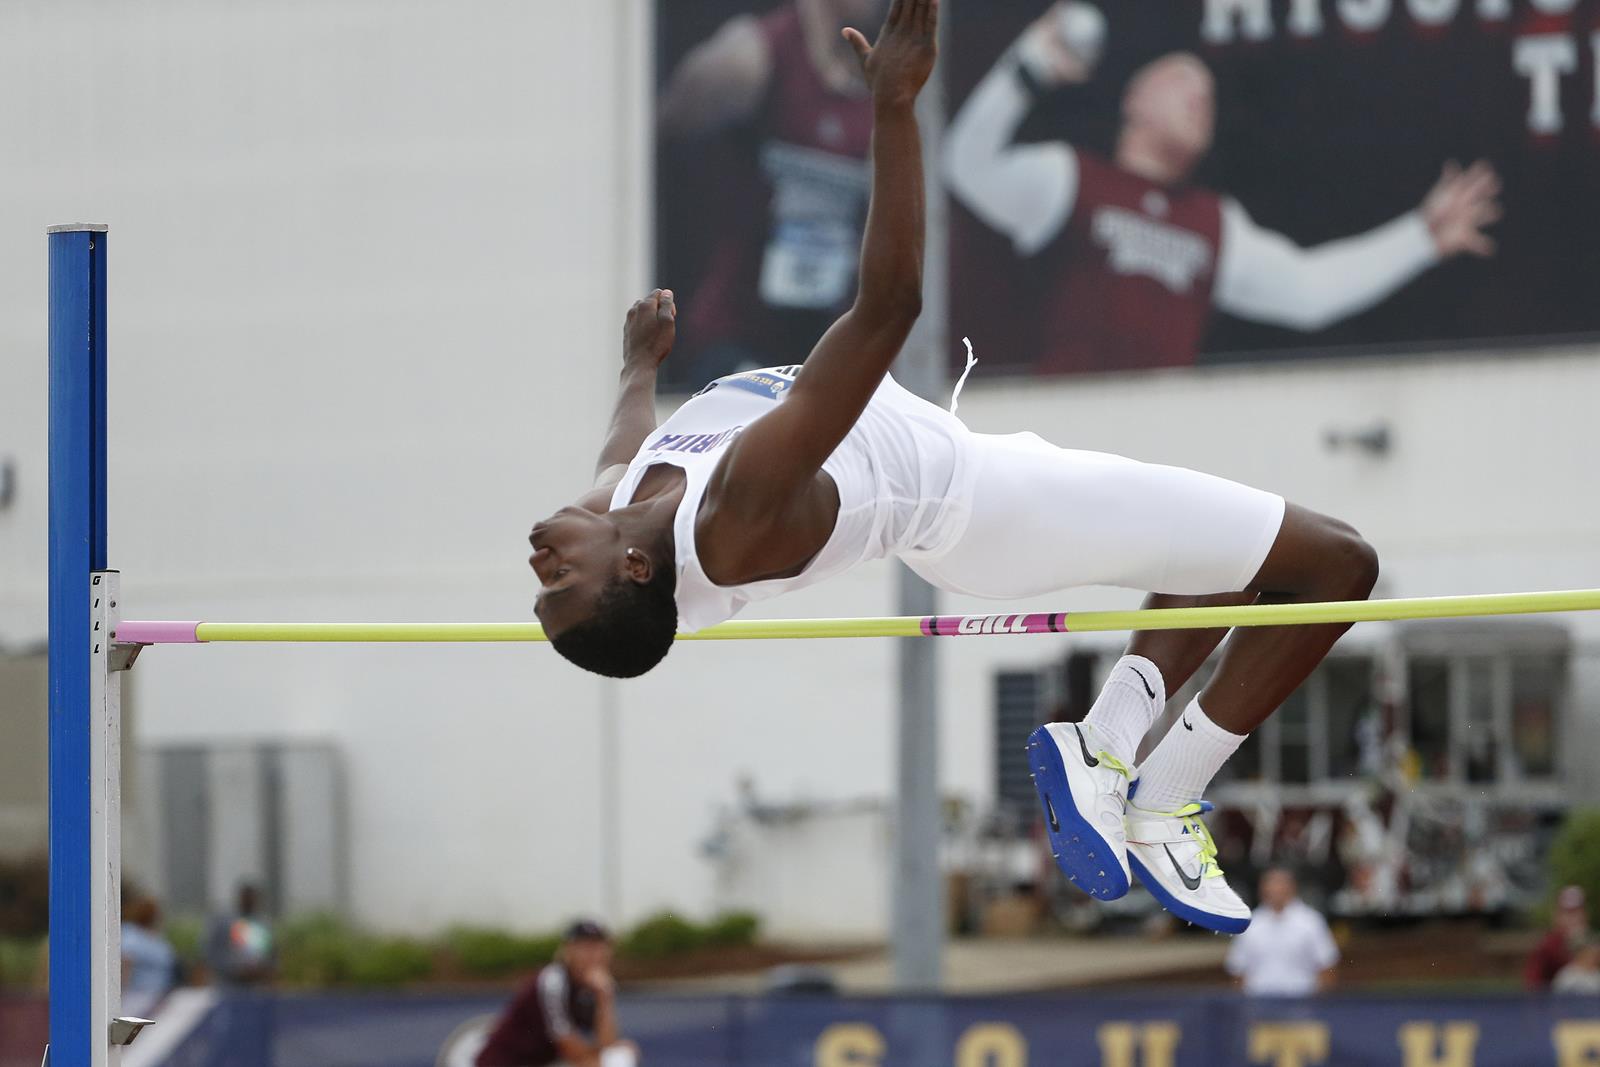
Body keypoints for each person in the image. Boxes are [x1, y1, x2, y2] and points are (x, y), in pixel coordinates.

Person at [529, 0, 1378, 935]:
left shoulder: (622, 502)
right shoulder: (733, 515)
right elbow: (889, 309)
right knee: (1337, 564)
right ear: (634, 567)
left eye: (541, 580)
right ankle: (1167, 795)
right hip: (985, 508)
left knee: (1221, 554)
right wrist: (895, 112)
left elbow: (621, 444)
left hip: (982, 481)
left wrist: (638, 366)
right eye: (560, 576)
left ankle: (1107, 748)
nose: (539, 556)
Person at [943, 2, 1504, 375]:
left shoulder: (1213, 220)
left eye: (1210, 95)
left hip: (1162, 446)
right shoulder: (1070, 178)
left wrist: (1419, 239)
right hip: (1061, 434)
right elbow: (965, 166)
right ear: (1134, 101)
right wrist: (1031, 64)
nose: (1200, 99)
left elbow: (1309, 291)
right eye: (1183, 81)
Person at [658, 0, 884, 385]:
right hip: (740, 338)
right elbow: (660, 139)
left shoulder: (873, 71)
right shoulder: (753, 57)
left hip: (825, 339)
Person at [475, 920, 639, 1067]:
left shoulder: (593, 987)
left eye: (599, 947)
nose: (594, 956)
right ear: (568, 951)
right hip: (505, 1063)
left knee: (622, 1053)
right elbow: (573, 1052)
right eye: (585, 948)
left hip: (541, 1061)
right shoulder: (553, 982)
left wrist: (605, 997)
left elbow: (607, 1045)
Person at [1224, 869, 1340, 996]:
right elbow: (1237, 969)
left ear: (1292, 887)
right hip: (1259, 1003)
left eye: (1280, 884)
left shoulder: (1311, 922)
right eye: (1271, 884)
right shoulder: (1249, 923)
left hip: (1302, 1002)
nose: (1276, 889)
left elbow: (1327, 965)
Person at [204, 882, 275, 988]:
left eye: (252, 898)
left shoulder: (263, 925)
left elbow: (270, 955)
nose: (250, 901)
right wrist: (233, 970)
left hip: (256, 987)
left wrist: (263, 971)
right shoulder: (224, 923)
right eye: (246, 897)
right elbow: (210, 952)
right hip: (228, 986)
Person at [120, 892, 178, 1018]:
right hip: (135, 997)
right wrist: (120, 994)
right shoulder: (130, 934)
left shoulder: (159, 939)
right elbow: (125, 963)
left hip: (158, 999)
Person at [1528, 885, 1590, 989]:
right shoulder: (1547, 947)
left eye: (1576, 912)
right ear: (1557, 915)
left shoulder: (1592, 945)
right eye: (1567, 913)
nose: (1573, 918)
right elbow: (1532, 985)